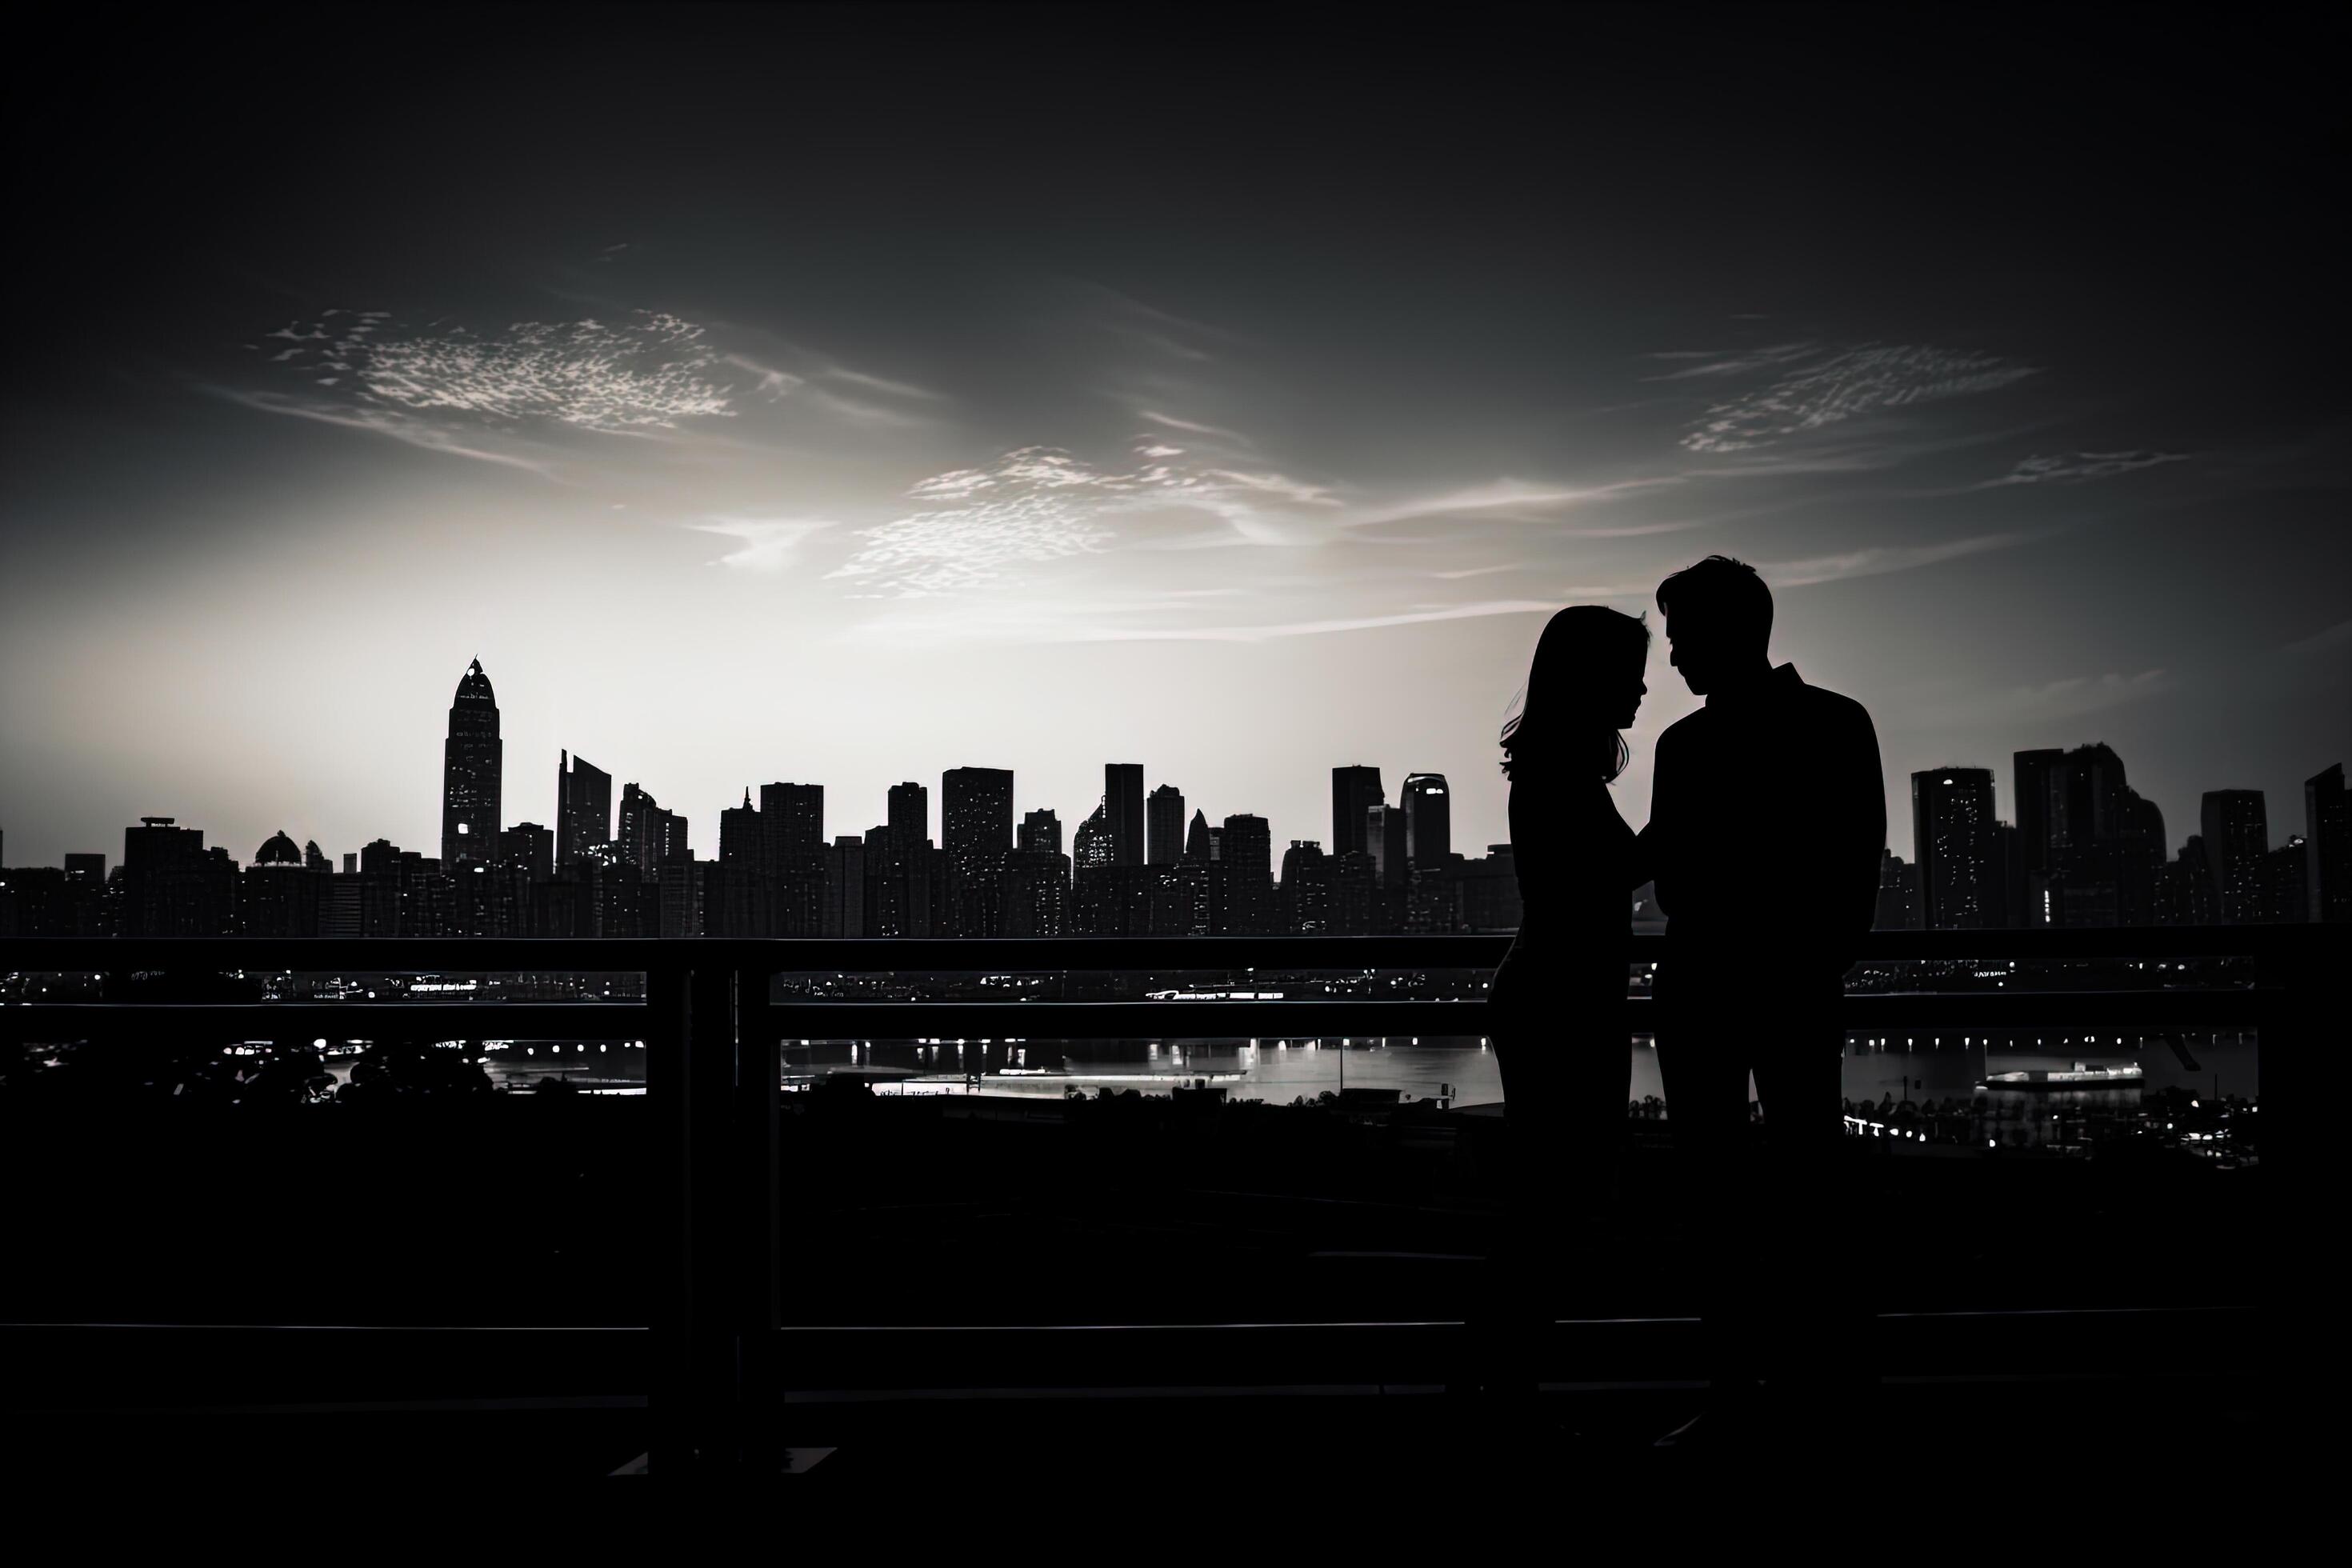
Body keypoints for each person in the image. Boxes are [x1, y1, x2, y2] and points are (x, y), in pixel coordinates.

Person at [1637, 555, 1884, 1449]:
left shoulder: (1685, 747)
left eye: (1680, 638)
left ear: (1727, 632)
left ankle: (1741, 1392)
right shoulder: (1837, 724)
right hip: (1790, 985)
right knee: (1802, 1190)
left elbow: (1668, 889)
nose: (1671, 661)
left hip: (1707, 983)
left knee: (1727, 1196)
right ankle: (1811, 1391)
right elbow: (1858, 874)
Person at [1475, 604, 1653, 1416]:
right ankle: (1500, 1391)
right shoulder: (1558, 776)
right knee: (1554, 1207)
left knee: (1551, 1205)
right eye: (1629, 673)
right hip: (1563, 1004)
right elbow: (1611, 875)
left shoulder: (1557, 770)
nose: (1644, 688)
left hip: (1559, 996)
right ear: (1591, 680)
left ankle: (1502, 1389)